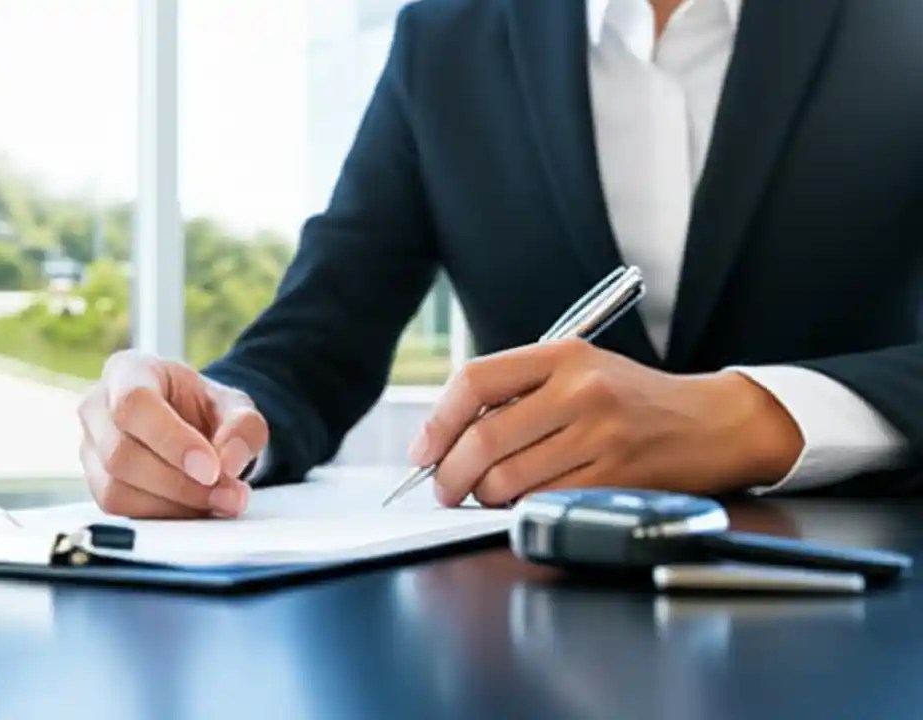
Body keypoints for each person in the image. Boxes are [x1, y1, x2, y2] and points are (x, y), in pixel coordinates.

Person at [78, 0, 923, 519]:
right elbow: (312, 346)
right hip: (525, 618)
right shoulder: (442, 43)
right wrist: (218, 418)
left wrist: (747, 418)